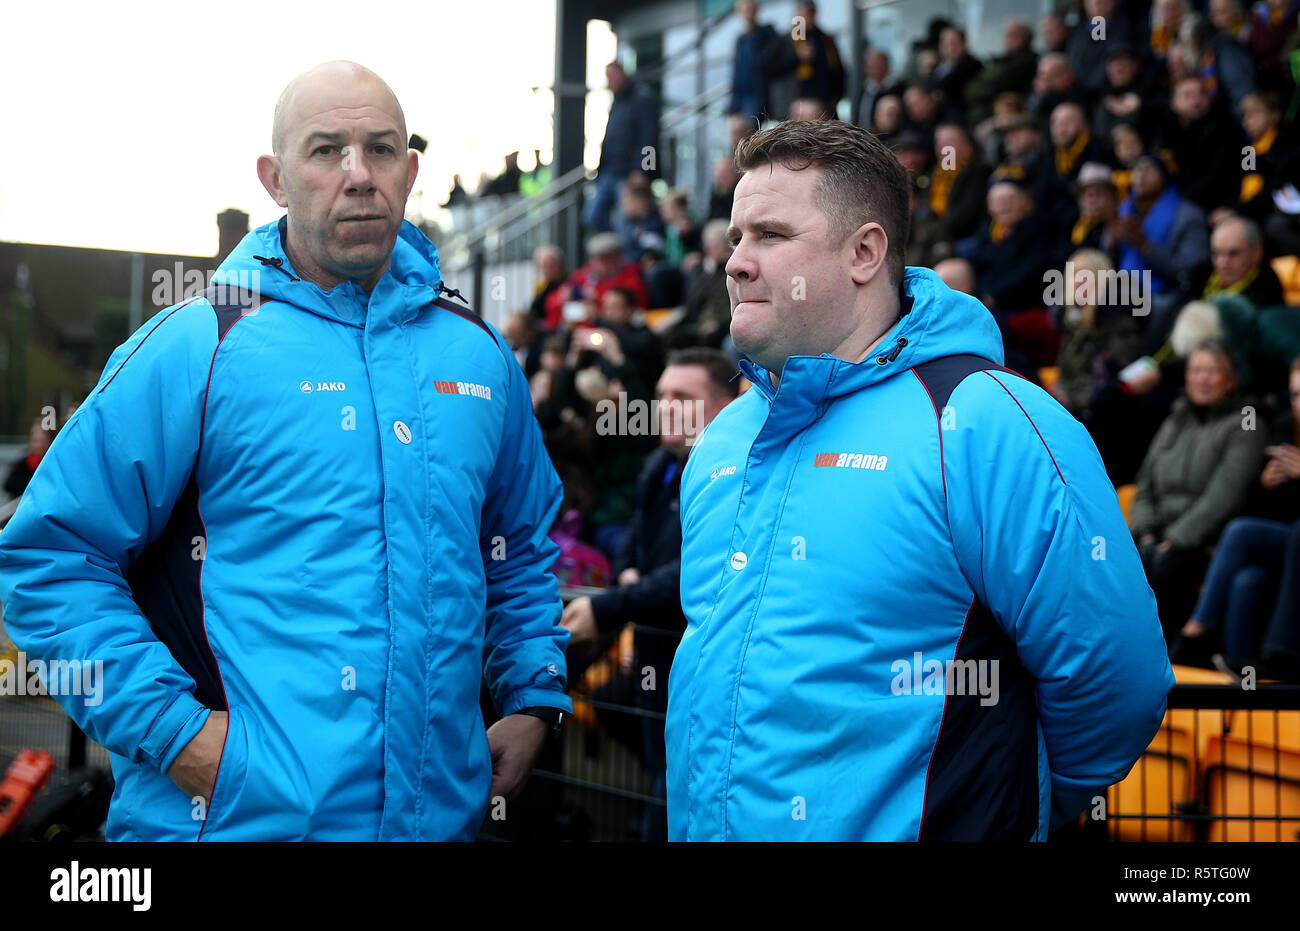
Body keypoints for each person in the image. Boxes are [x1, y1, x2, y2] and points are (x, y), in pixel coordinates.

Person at [0, 61, 572, 841]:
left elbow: (521, 546)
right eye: (325, 150)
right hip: (229, 824)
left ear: (410, 171)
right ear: (274, 178)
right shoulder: (198, 341)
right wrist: (177, 735)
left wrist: (533, 697)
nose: (357, 175)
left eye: (379, 150)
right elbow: (49, 559)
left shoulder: (479, 356)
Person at [667, 119, 1173, 841]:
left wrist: (1009, 810)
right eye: (736, 234)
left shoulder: (990, 423)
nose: (735, 262)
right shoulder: (726, 435)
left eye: (771, 236)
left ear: (866, 252)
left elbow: (1117, 686)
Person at [561, 348, 737, 840]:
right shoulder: (659, 463)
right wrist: (628, 573)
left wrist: (611, 604)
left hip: (698, 668)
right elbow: (632, 539)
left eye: (683, 397)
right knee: (656, 778)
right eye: (661, 395)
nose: (665, 406)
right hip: (651, 655)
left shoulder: (736, 471)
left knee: (675, 793)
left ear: (724, 407)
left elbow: (697, 573)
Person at [1129, 340, 1268, 640]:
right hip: (1158, 536)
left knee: (1166, 571)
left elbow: (1225, 496)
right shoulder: (1176, 418)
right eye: (1196, 370)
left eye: (1213, 371)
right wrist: (1147, 530)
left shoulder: (1246, 422)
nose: (1203, 379)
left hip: (1205, 544)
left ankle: (1167, 665)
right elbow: (1145, 485)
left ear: (1231, 380)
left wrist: (1176, 539)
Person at [584, 63, 660, 232]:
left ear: (622, 74)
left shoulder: (642, 97)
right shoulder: (618, 102)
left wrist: (644, 171)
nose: (608, 83)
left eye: (610, 77)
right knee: (591, 217)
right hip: (609, 171)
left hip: (629, 175)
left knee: (625, 224)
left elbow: (650, 138)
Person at [728, 0, 778, 126]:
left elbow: (770, 64)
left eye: (750, 8)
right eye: (745, 9)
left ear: (756, 10)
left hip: (763, 96)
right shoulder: (741, 41)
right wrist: (733, 107)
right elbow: (737, 75)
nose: (748, 12)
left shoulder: (768, 33)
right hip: (743, 98)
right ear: (739, 13)